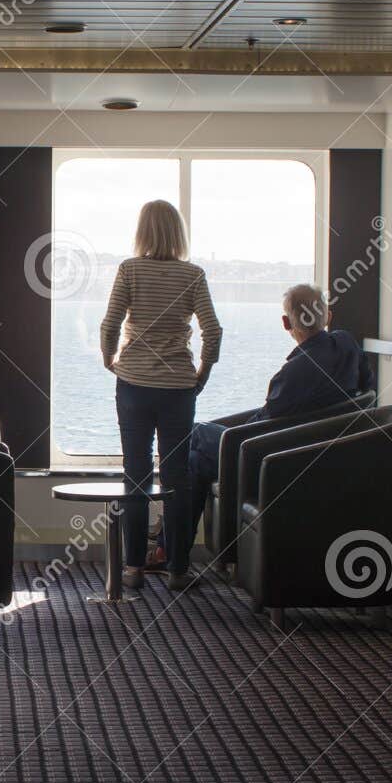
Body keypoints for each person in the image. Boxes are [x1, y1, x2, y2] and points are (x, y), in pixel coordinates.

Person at [181, 282, 376, 552]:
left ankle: (172, 552)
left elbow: (260, 430)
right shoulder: (346, 344)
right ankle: (171, 550)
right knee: (195, 459)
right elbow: (368, 387)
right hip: (317, 453)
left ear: (286, 323)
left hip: (271, 459)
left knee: (191, 434)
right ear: (328, 316)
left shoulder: (292, 374)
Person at [100, 199, 222, 591]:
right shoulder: (193, 275)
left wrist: (110, 359)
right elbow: (213, 331)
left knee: (135, 474)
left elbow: (110, 324)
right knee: (177, 478)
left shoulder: (129, 269)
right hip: (178, 389)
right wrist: (201, 373)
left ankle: (133, 568)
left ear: (141, 231)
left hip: (133, 385)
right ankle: (177, 570)